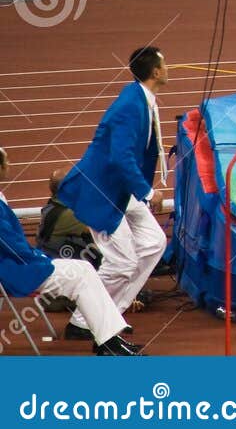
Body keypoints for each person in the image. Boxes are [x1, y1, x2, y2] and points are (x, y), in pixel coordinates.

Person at [55, 47, 169, 347]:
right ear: (155, 72)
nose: (167, 68)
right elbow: (120, 158)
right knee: (122, 262)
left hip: (121, 188)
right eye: (164, 64)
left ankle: (109, 314)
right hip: (102, 190)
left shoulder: (142, 99)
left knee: (155, 242)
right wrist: (147, 191)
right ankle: (85, 321)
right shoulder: (130, 105)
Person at [0, 147, 141, 355]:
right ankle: (108, 343)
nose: (10, 165)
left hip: (15, 263)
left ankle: (109, 340)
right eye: (6, 162)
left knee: (82, 270)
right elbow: (10, 243)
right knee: (83, 273)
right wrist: (38, 257)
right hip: (15, 269)